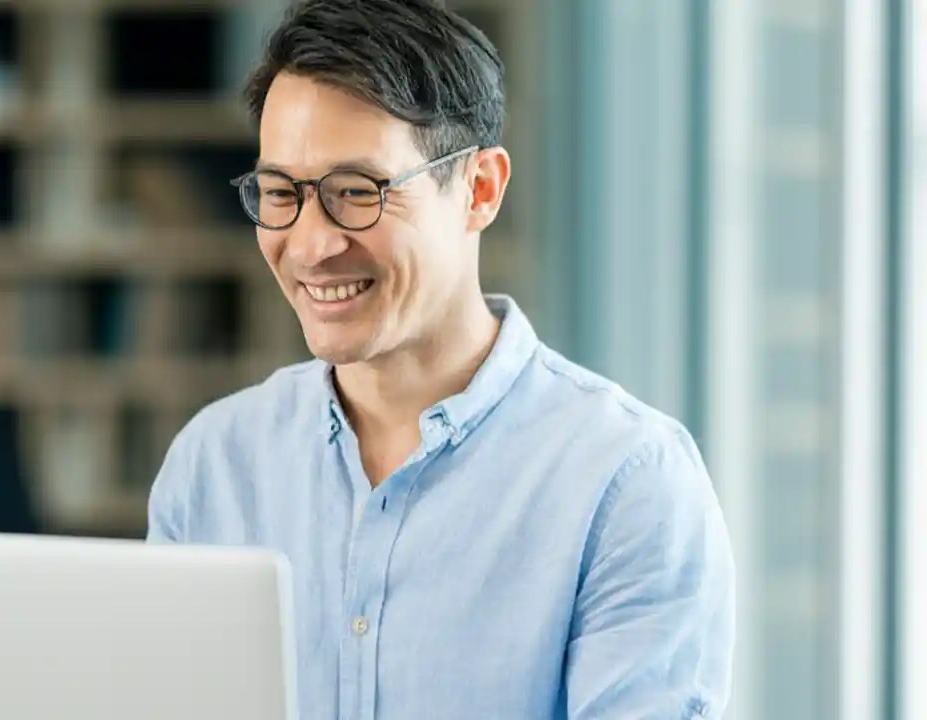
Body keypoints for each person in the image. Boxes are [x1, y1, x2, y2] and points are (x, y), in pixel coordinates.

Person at [146, 0, 735, 718]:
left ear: (479, 190)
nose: (308, 244)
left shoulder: (626, 483)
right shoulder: (215, 464)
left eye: (355, 194)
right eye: (281, 194)